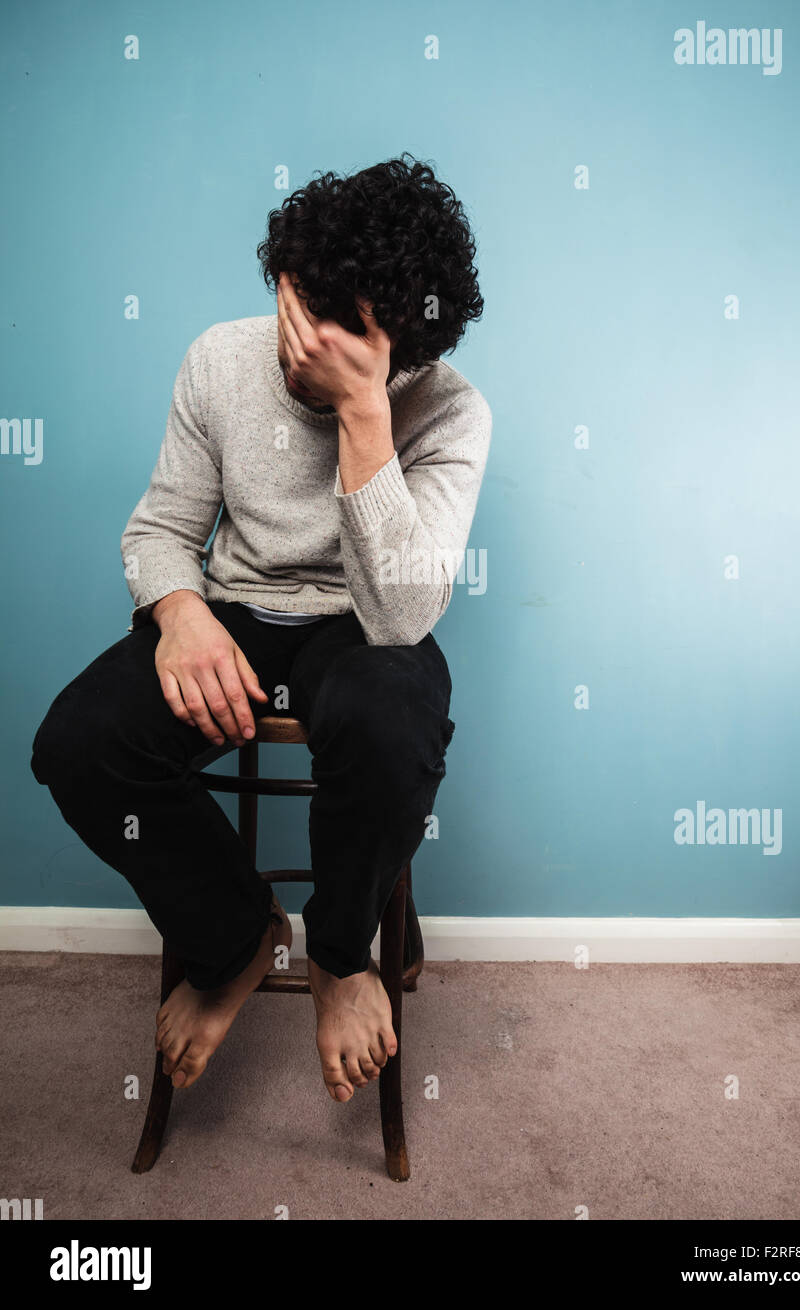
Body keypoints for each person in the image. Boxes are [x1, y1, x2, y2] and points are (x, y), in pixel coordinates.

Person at [30, 154, 492, 1105]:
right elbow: (161, 530)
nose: (299, 346)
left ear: (399, 344)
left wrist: (366, 411)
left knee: (389, 724)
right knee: (76, 744)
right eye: (294, 302)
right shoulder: (220, 359)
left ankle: (339, 952)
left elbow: (402, 616)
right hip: (236, 610)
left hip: (362, 624)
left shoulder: (450, 411)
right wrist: (181, 611)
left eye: (338, 333)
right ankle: (237, 937)